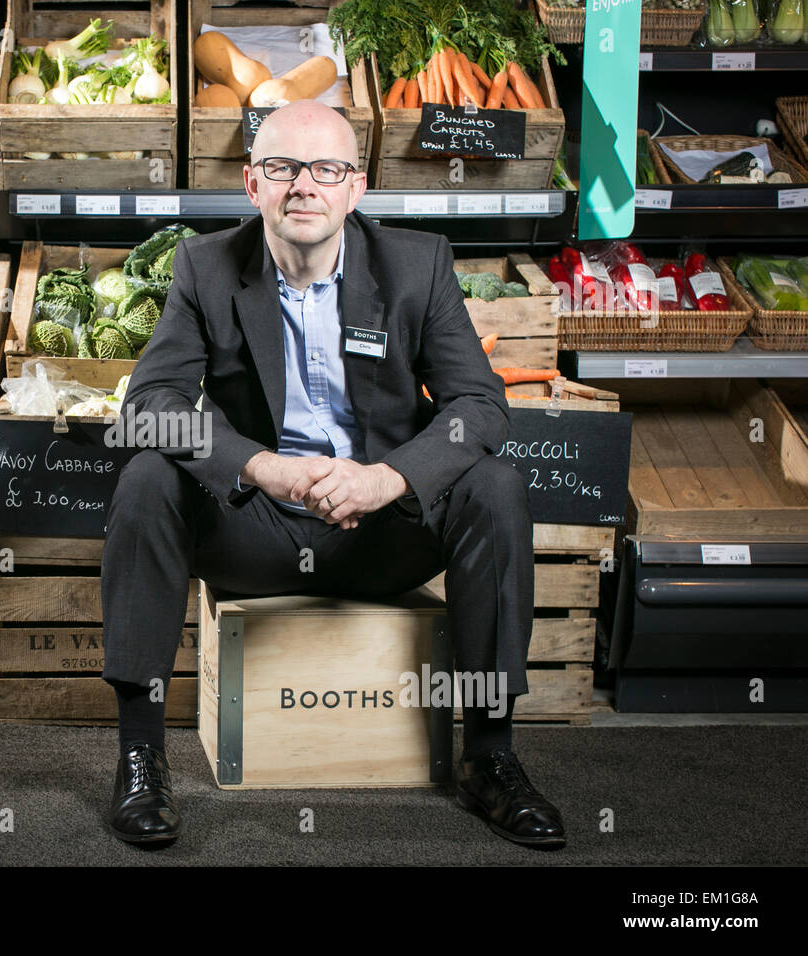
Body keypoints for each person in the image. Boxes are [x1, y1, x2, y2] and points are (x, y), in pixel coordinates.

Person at [99, 101, 565, 850]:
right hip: (260, 527)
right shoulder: (206, 265)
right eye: (282, 168)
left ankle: (490, 755)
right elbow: (147, 408)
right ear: (253, 185)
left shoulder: (417, 265)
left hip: (383, 531)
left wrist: (391, 479)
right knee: (150, 474)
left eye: (326, 170)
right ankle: (140, 754)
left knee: (496, 484)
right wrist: (260, 465)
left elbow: (479, 406)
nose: (303, 187)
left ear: (357, 187)